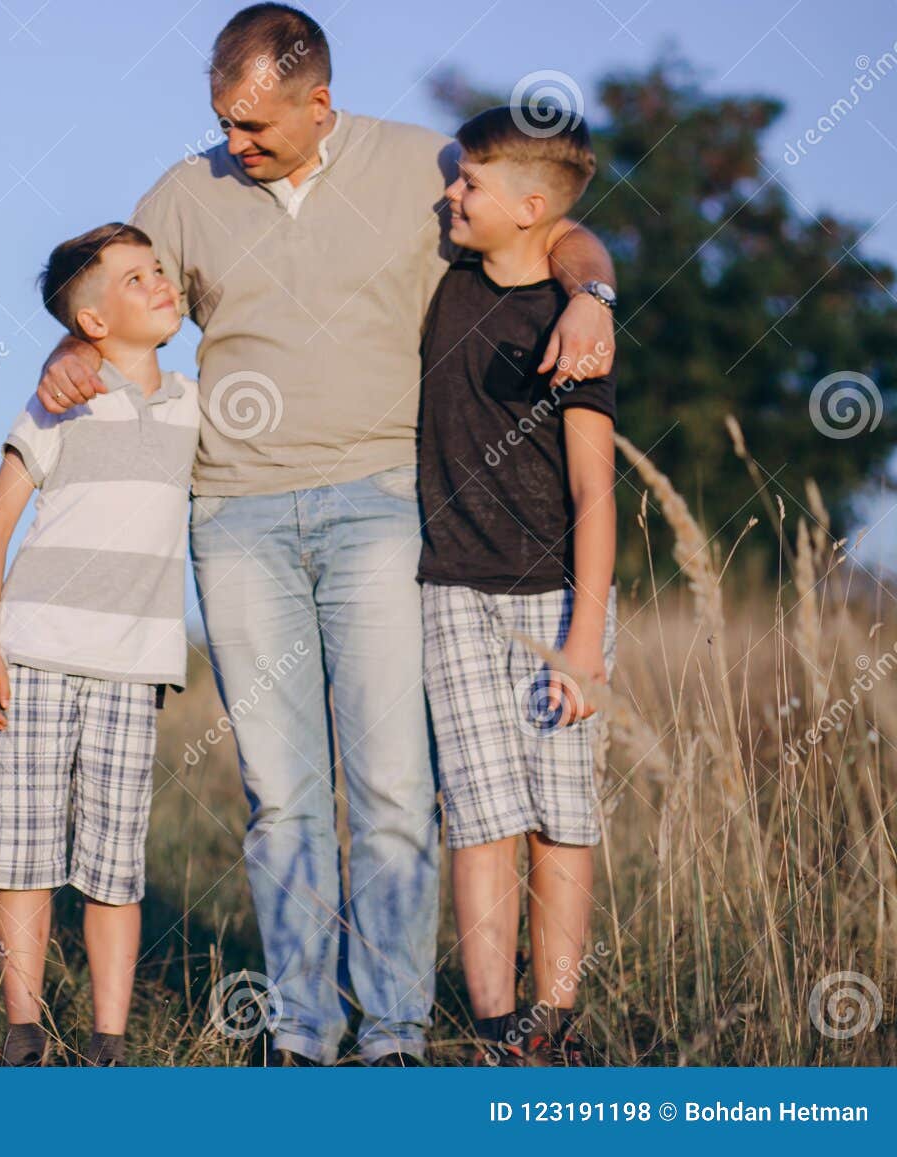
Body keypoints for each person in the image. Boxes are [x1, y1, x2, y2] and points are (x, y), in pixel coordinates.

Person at [36, 3, 617, 1065]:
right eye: (223, 118)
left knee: (394, 786)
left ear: (320, 104)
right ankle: (304, 1030)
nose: (234, 141)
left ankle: (393, 1033)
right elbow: (109, 296)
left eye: (255, 124)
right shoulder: (185, 193)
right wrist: (65, 355)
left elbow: (551, 225)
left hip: (383, 506)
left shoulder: (421, 168)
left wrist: (595, 293)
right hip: (237, 516)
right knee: (282, 796)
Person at [0, 223, 197, 1066]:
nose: (161, 283)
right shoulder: (57, 400)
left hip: (133, 670)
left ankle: (108, 1042)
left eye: (159, 269)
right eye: (135, 279)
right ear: (93, 321)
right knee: (23, 849)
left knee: (114, 863)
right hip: (33, 654)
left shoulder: (194, 403)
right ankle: (24, 1032)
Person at [416, 106, 617, 1066]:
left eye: (470, 184)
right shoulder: (445, 288)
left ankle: (554, 1020)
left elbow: (594, 488)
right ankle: (496, 1027)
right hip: (452, 589)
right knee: (481, 814)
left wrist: (584, 639)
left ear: (531, 207)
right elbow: (582, 243)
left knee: (561, 819)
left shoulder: (570, 324)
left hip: (557, 602)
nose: (451, 195)